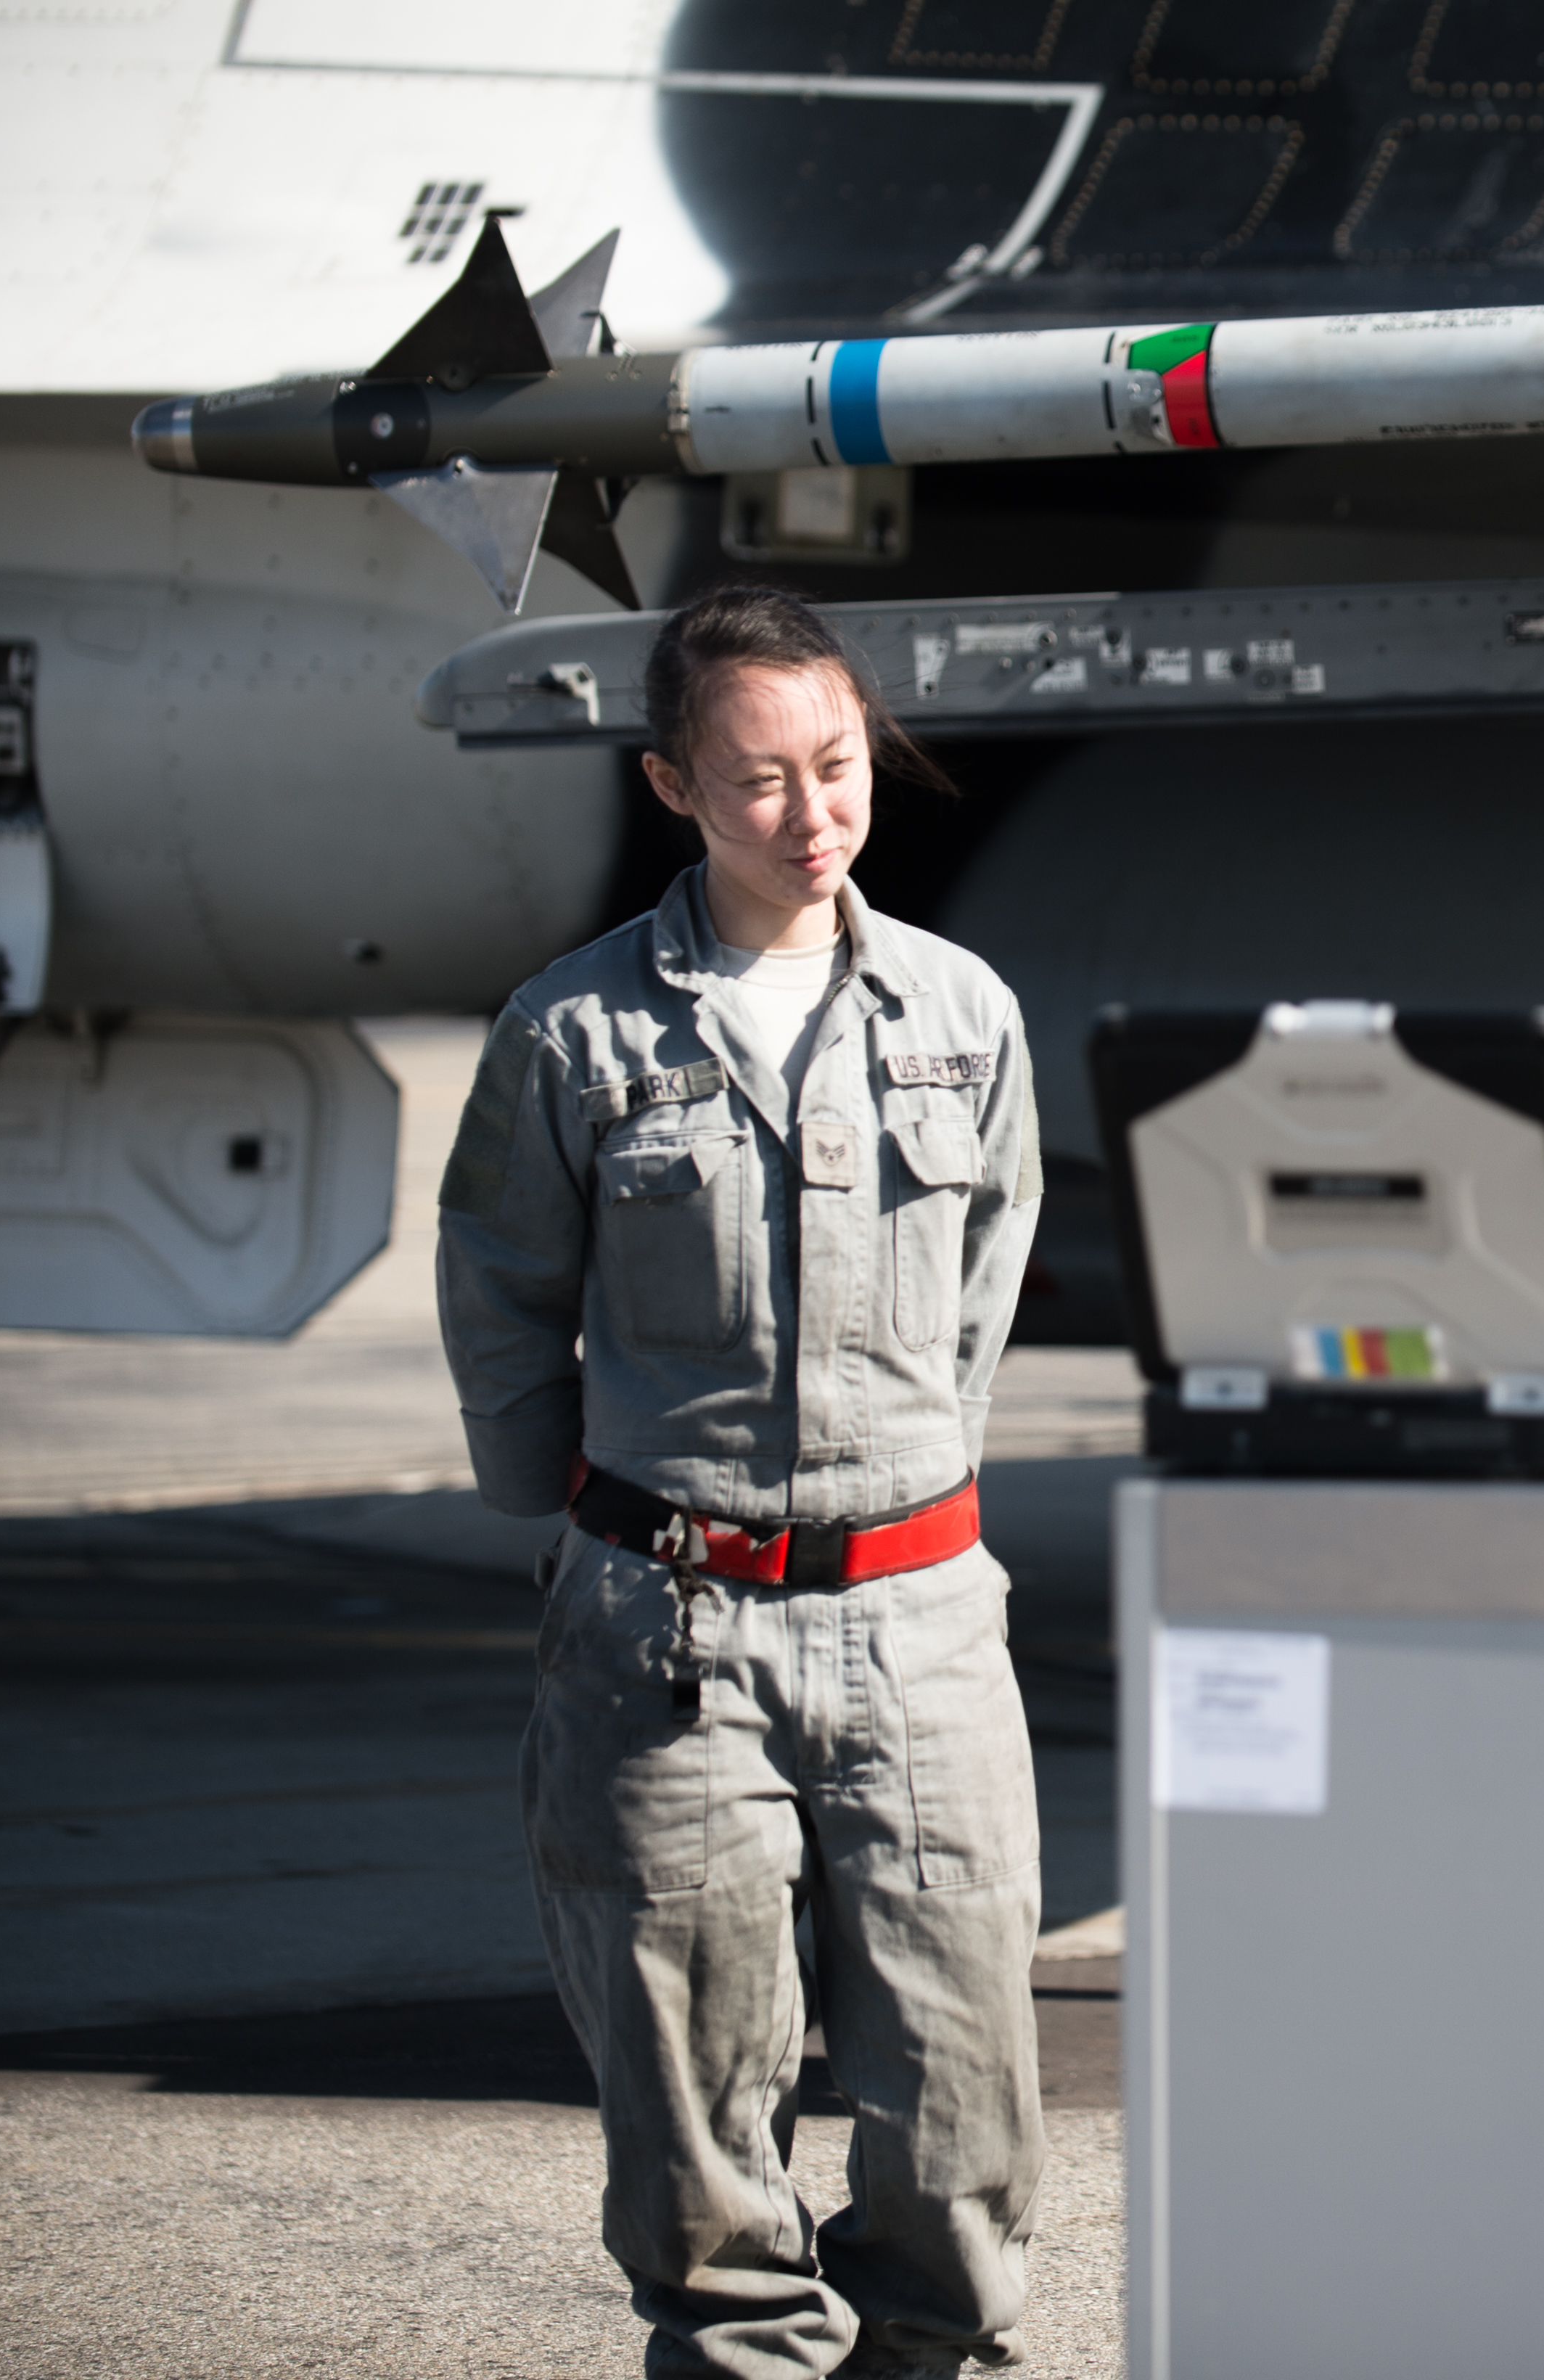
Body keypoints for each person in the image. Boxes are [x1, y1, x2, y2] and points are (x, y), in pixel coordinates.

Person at [435, 586, 1047, 2379]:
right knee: (698, 2133)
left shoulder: (962, 1007)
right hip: (665, 1636)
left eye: (840, 765)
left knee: (960, 2116)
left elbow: (986, 1284)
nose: (813, 813)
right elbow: (501, 1295)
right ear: (673, 784)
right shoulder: (574, 1036)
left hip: (922, 1625)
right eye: (761, 778)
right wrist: (583, 1517)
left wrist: (900, 1489)